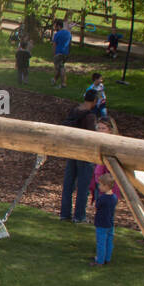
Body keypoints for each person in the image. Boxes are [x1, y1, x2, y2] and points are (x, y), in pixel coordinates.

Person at [60, 90, 100, 223]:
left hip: (71, 150)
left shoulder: (74, 110)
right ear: (94, 101)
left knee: (68, 183)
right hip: (84, 154)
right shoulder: (90, 117)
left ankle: (65, 214)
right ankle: (79, 216)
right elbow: (92, 136)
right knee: (83, 186)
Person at [92, 172, 118, 266]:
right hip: (110, 223)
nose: (99, 186)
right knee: (109, 241)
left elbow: (97, 206)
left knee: (101, 242)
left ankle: (99, 260)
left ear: (106, 186)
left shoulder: (102, 198)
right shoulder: (114, 197)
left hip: (101, 223)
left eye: (100, 185)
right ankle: (107, 258)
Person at [51, 19, 72, 88]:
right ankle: (54, 80)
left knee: (60, 68)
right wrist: (68, 53)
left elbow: (54, 45)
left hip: (58, 53)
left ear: (58, 26)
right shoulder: (68, 33)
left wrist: (53, 54)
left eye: (55, 26)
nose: (54, 28)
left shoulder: (57, 34)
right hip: (65, 53)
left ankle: (63, 83)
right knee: (59, 67)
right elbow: (69, 44)